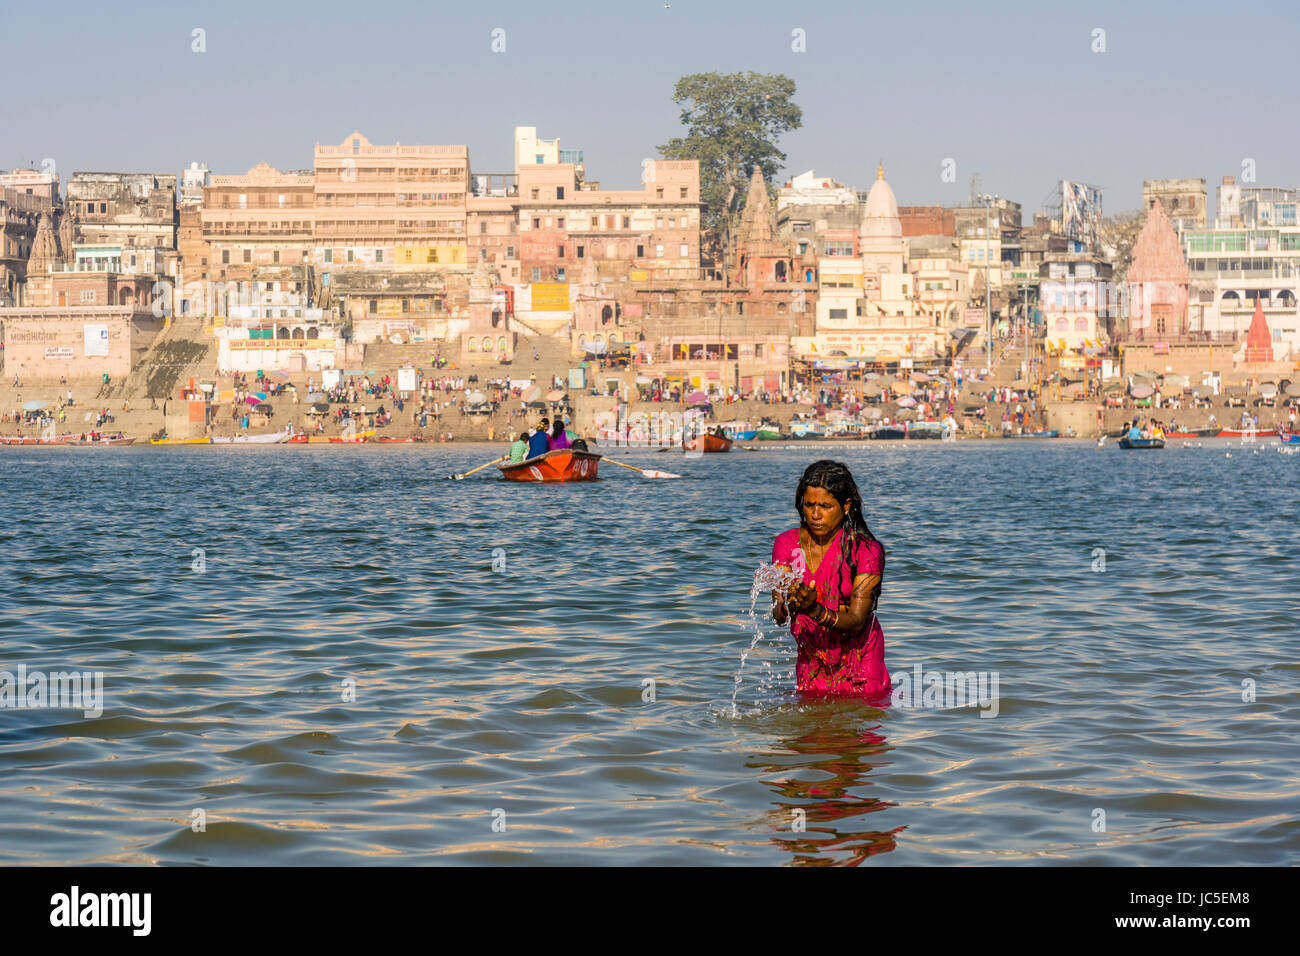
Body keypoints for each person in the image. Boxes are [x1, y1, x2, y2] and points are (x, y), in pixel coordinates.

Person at [770, 460, 889, 699]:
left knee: (857, 726)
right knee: (810, 731)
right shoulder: (786, 544)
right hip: (812, 658)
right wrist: (790, 605)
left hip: (860, 660)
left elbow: (856, 620)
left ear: (845, 506)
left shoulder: (865, 550)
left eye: (825, 506)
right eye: (809, 505)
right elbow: (779, 615)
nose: (815, 515)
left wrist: (813, 609)